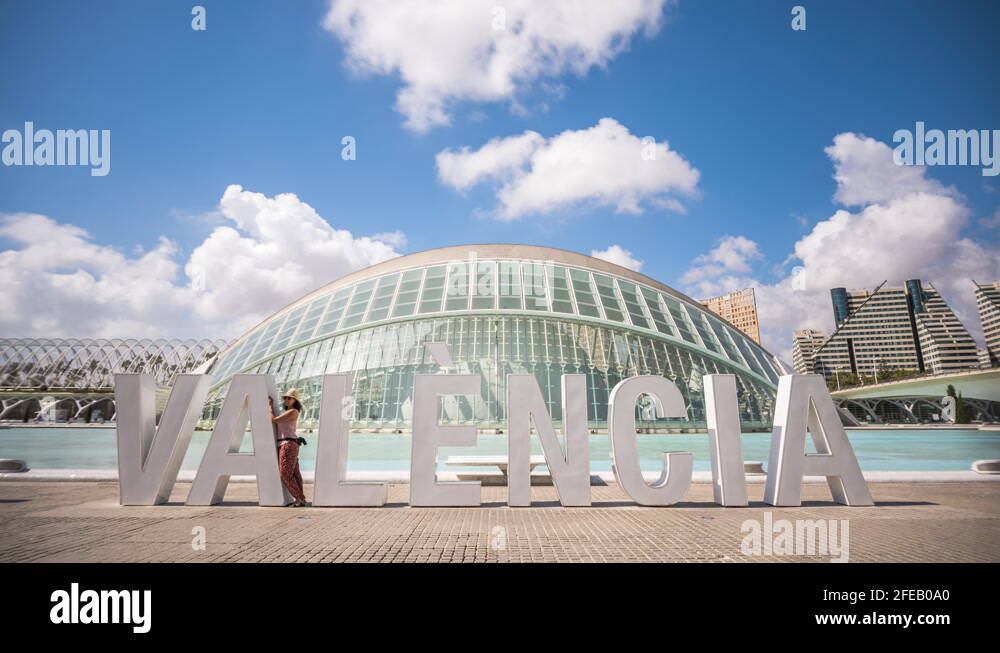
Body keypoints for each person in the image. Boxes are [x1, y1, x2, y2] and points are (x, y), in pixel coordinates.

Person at [268, 389, 306, 507]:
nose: (286, 400)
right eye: (285, 398)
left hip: (288, 445)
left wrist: (269, 406)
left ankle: (299, 498)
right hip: (288, 444)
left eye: (289, 398)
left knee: (285, 473)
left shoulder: (293, 411)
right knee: (294, 473)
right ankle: (301, 498)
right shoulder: (289, 412)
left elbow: (273, 420)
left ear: (295, 401)